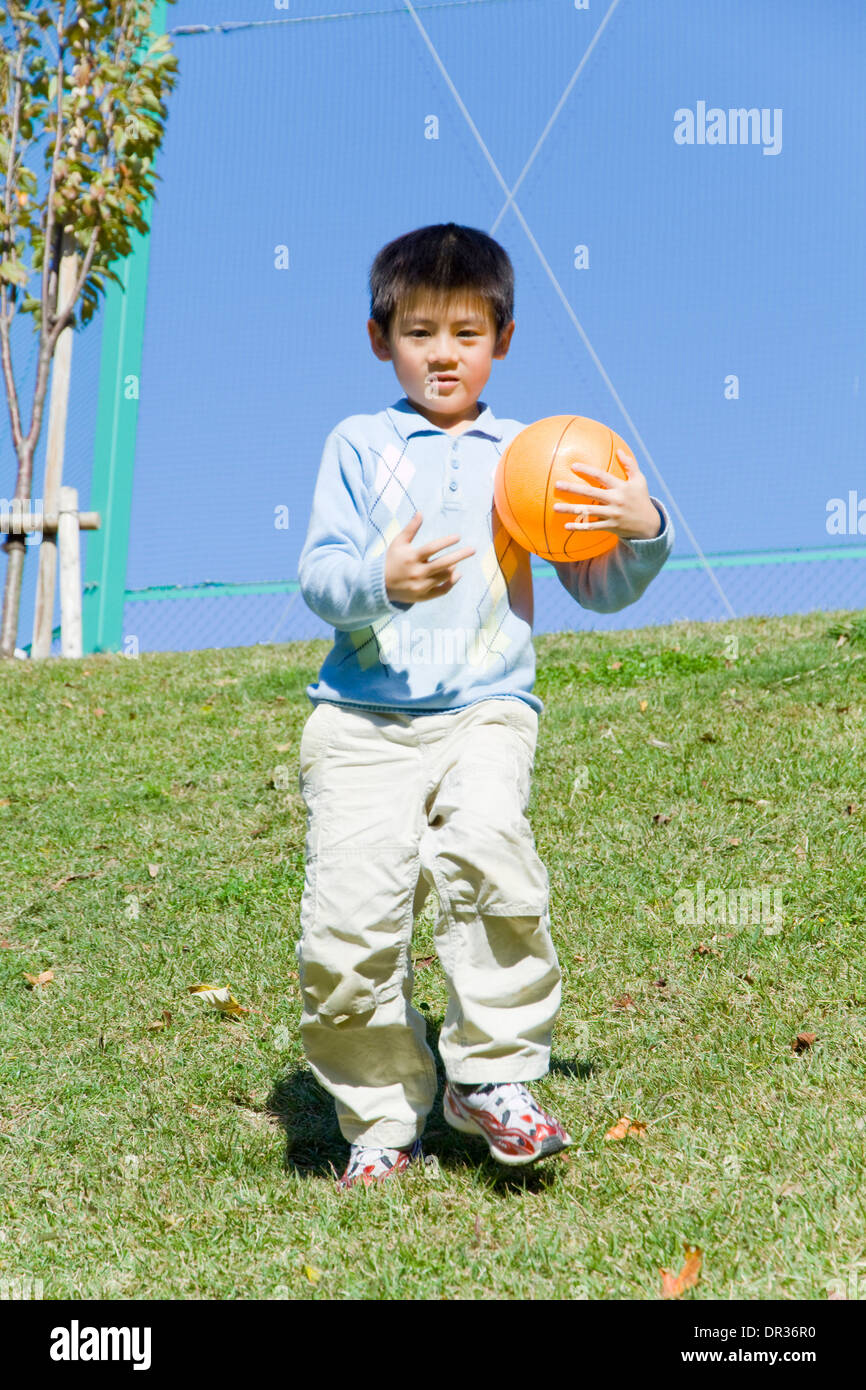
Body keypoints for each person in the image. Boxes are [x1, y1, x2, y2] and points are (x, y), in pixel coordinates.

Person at [295, 222, 675, 1190]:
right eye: (418, 331)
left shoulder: (535, 453)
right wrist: (380, 577)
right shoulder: (357, 443)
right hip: (361, 723)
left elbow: (597, 584)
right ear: (378, 338)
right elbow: (319, 576)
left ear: (501, 341)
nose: (442, 353)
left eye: (466, 333)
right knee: (345, 933)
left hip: (484, 711)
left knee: (492, 864)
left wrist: (643, 530)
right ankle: (382, 1118)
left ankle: (494, 1076)